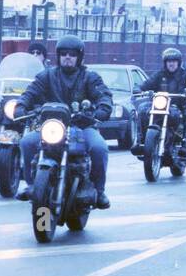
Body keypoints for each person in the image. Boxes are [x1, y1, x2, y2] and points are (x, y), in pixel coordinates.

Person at [13, 35, 113, 208]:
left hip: (82, 126)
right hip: (52, 126)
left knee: (99, 148)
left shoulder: (90, 77)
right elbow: (30, 92)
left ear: (79, 57)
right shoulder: (46, 76)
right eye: (64, 53)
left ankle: (99, 191)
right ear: (58, 56)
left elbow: (103, 95)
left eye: (72, 54)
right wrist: (21, 105)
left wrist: (103, 109)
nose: (68, 57)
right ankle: (31, 184)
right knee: (27, 142)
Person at [131, 47, 186, 154]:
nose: (171, 64)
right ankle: (141, 140)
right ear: (165, 63)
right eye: (169, 61)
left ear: (178, 62)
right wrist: (139, 89)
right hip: (160, 105)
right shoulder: (159, 74)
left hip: (179, 105)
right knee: (142, 108)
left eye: (174, 61)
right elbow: (145, 84)